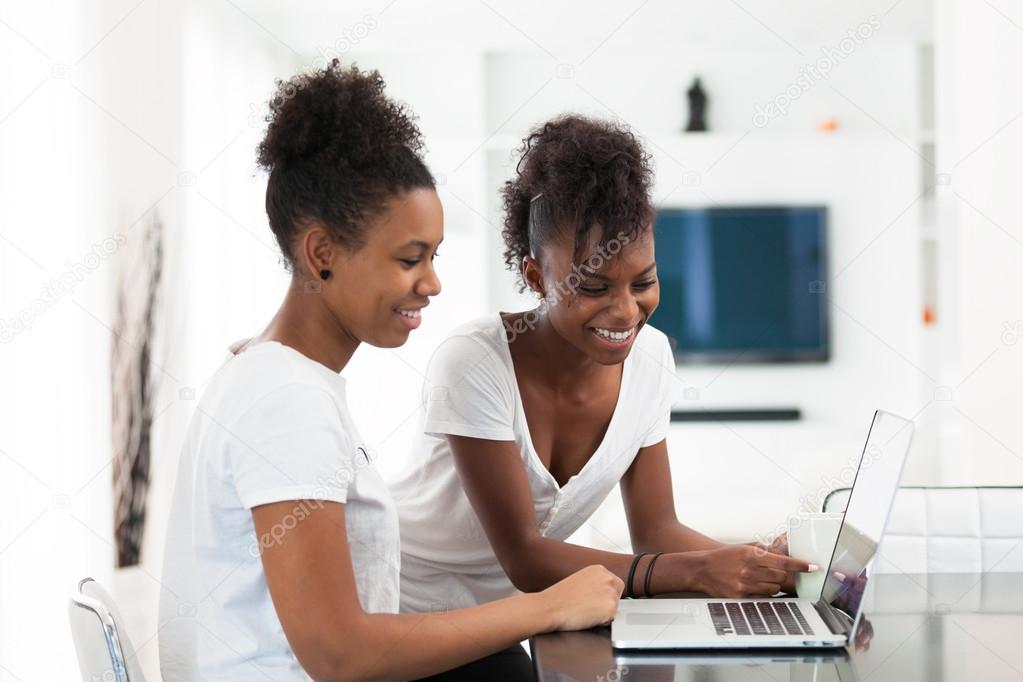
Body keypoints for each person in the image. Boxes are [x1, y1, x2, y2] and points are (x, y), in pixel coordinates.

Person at [157, 63, 622, 682]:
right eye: (409, 259)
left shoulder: (266, 372)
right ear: (322, 253)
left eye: (434, 256)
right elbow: (340, 653)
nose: (431, 283)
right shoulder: (285, 400)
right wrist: (544, 607)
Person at [392, 115, 814, 618]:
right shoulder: (474, 362)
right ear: (536, 275)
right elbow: (524, 557)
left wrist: (764, 566)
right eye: (593, 288)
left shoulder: (651, 357)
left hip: (506, 619)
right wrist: (700, 571)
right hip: (402, 610)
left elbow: (657, 531)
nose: (625, 312)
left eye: (643, 283)